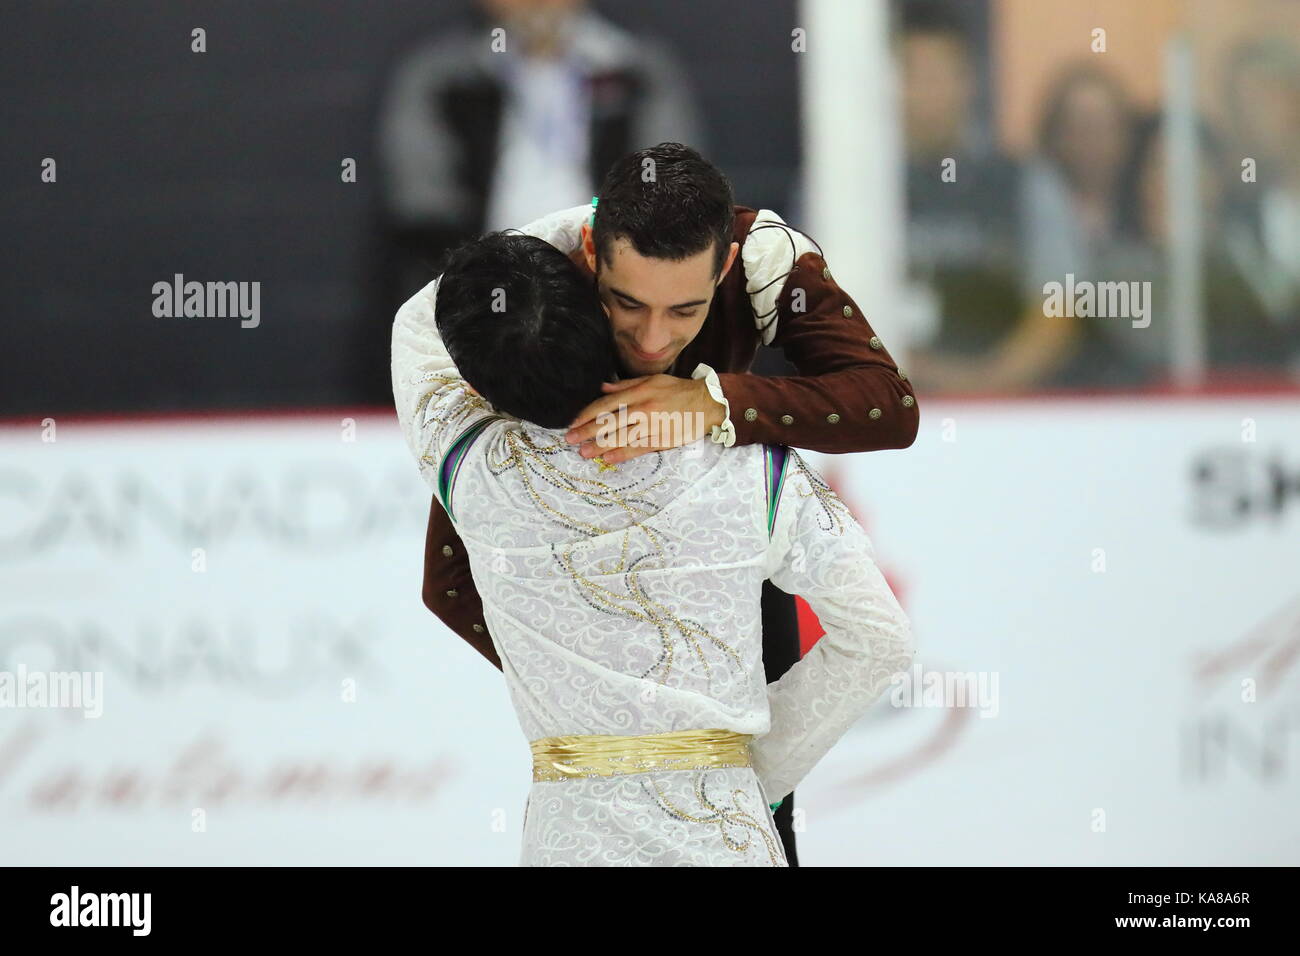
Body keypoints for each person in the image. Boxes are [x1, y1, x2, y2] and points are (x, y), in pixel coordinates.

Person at [400, 142, 920, 865]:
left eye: (686, 311)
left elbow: (889, 409)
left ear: (725, 268)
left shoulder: (769, 256)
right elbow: (449, 585)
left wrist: (712, 400)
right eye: (625, 304)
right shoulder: (537, 278)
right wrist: (600, 688)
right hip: (611, 510)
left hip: (723, 560)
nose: (652, 341)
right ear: (589, 256)